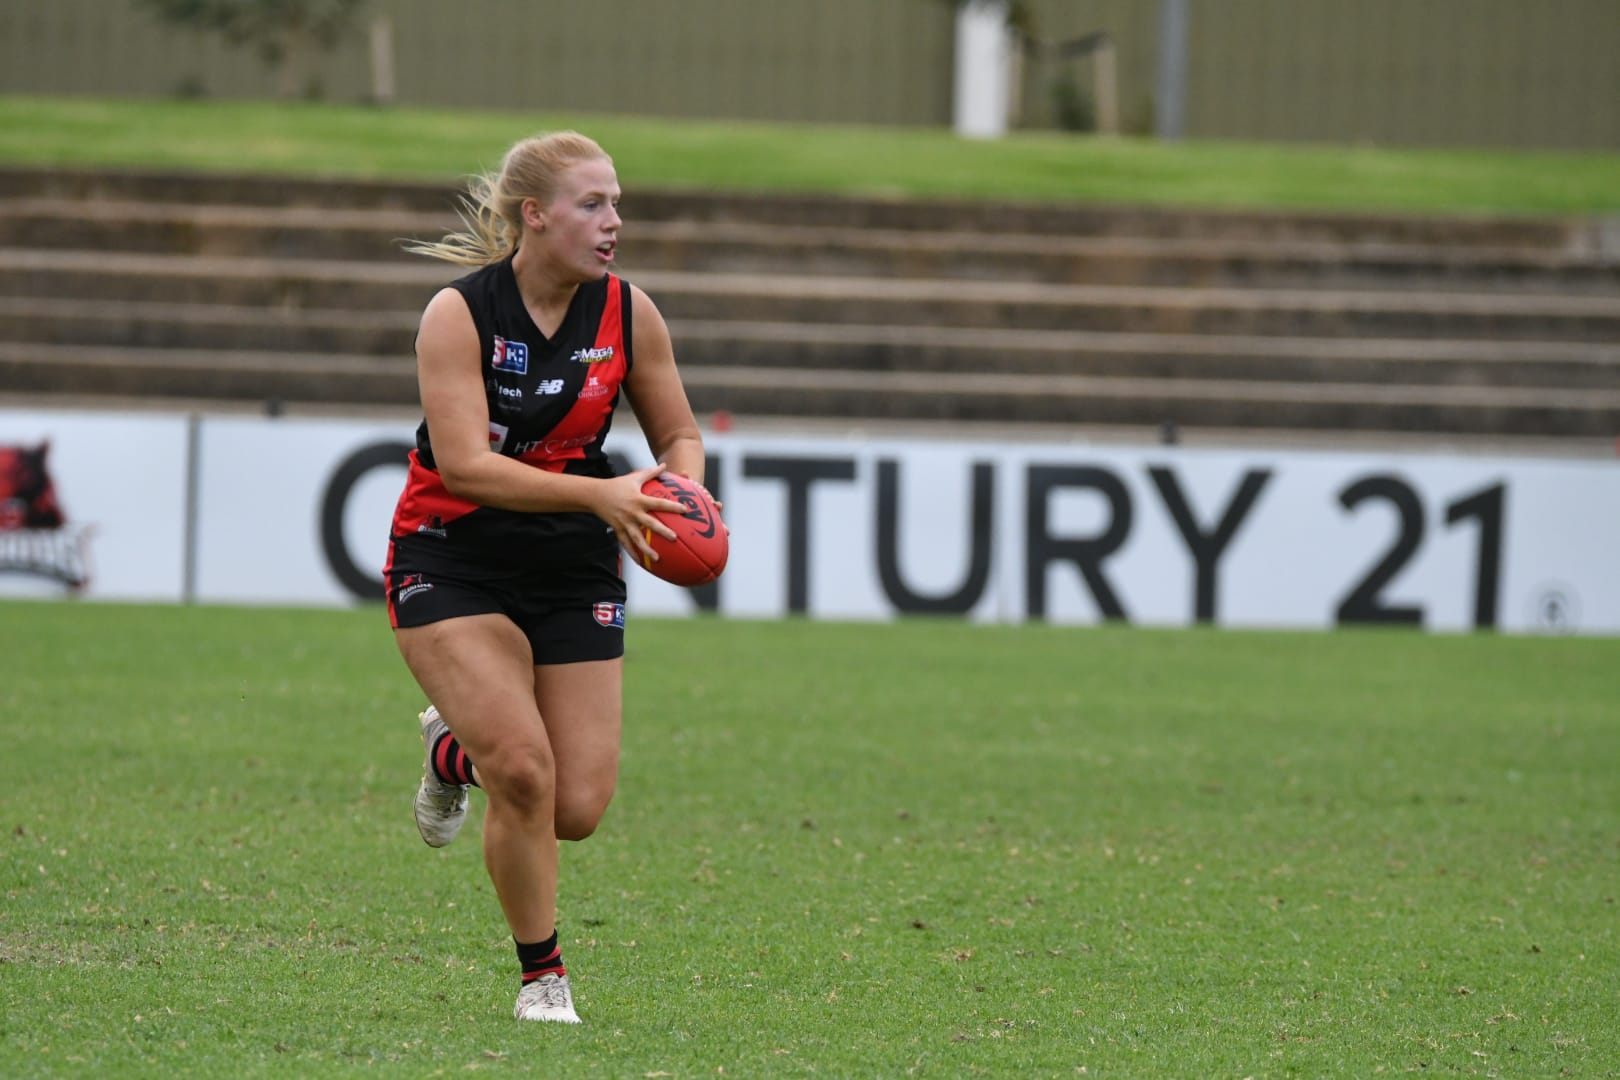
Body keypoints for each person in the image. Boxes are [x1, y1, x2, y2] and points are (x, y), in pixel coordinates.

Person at [383, 131, 707, 1024]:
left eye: (617, 204)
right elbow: (465, 468)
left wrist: (682, 494)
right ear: (536, 214)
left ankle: (452, 750)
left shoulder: (630, 312)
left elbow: (679, 435)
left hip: (569, 562)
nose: (614, 223)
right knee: (522, 773)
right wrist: (605, 493)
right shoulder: (459, 314)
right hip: (452, 556)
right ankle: (543, 979)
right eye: (592, 204)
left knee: (576, 806)